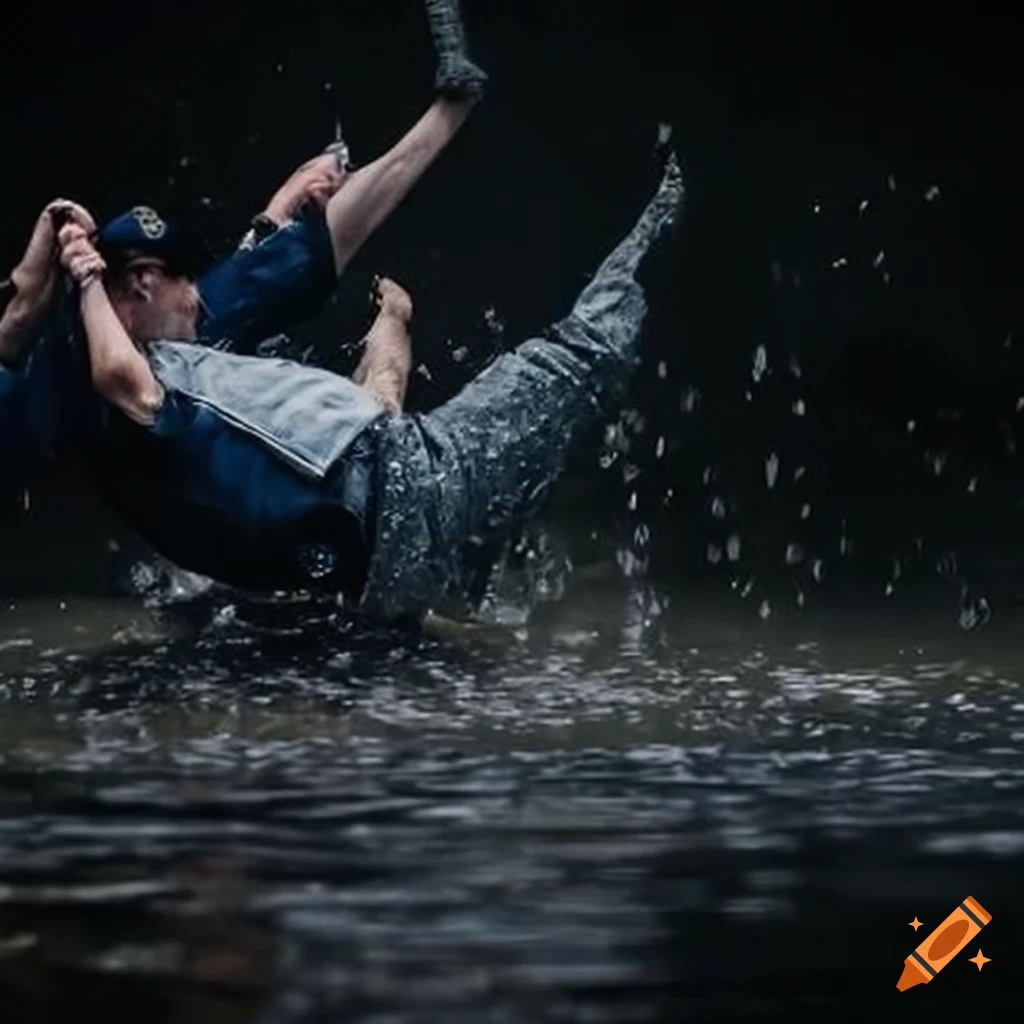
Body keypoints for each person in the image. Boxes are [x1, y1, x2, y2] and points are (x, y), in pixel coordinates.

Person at [54, 152, 684, 621]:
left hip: (378, 563)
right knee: (573, 359)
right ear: (138, 287)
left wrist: (386, 316)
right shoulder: (160, 377)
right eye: (183, 281)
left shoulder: (217, 396)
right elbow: (123, 375)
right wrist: (83, 275)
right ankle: (680, 210)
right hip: (415, 486)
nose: (199, 295)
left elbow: (369, 409)